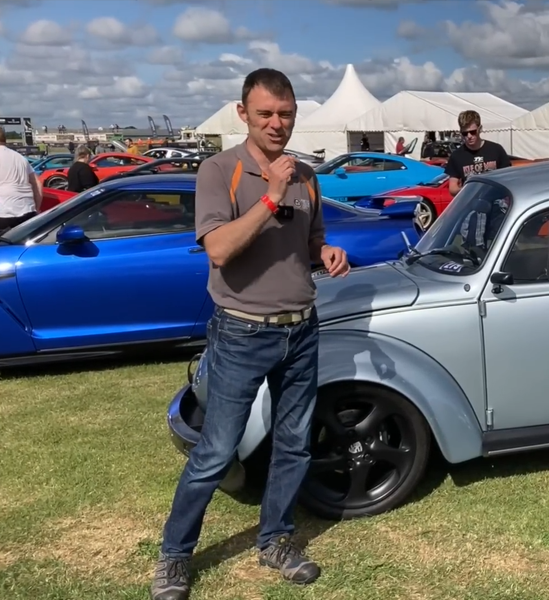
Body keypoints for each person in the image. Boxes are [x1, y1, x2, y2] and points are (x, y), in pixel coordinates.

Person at [149, 67, 350, 600]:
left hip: (300, 330)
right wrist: (270, 195)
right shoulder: (220, 170)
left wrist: (326, 252)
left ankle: (276, 540)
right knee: (216, 452)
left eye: (286, 114)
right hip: (241, 331)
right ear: (243, 114)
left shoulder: (306, 176)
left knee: (294, 445)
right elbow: (218, 249)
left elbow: (310, 242)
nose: (276, 123)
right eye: (265, 114)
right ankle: (174, 557)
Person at [444, 110, 512, 196]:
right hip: (472, 201)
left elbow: (509, 178)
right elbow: (452, 188)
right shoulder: (457, 156)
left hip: (496, 200)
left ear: (480, 129)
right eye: (465, 133)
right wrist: (468, 188)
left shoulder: (496, 149)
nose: (469, 136)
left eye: (473, 132)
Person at [0, 126, 42, 231]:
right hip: (28, 211)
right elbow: (37, 183)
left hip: (1, 214)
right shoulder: (20, 158)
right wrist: (36, 208)